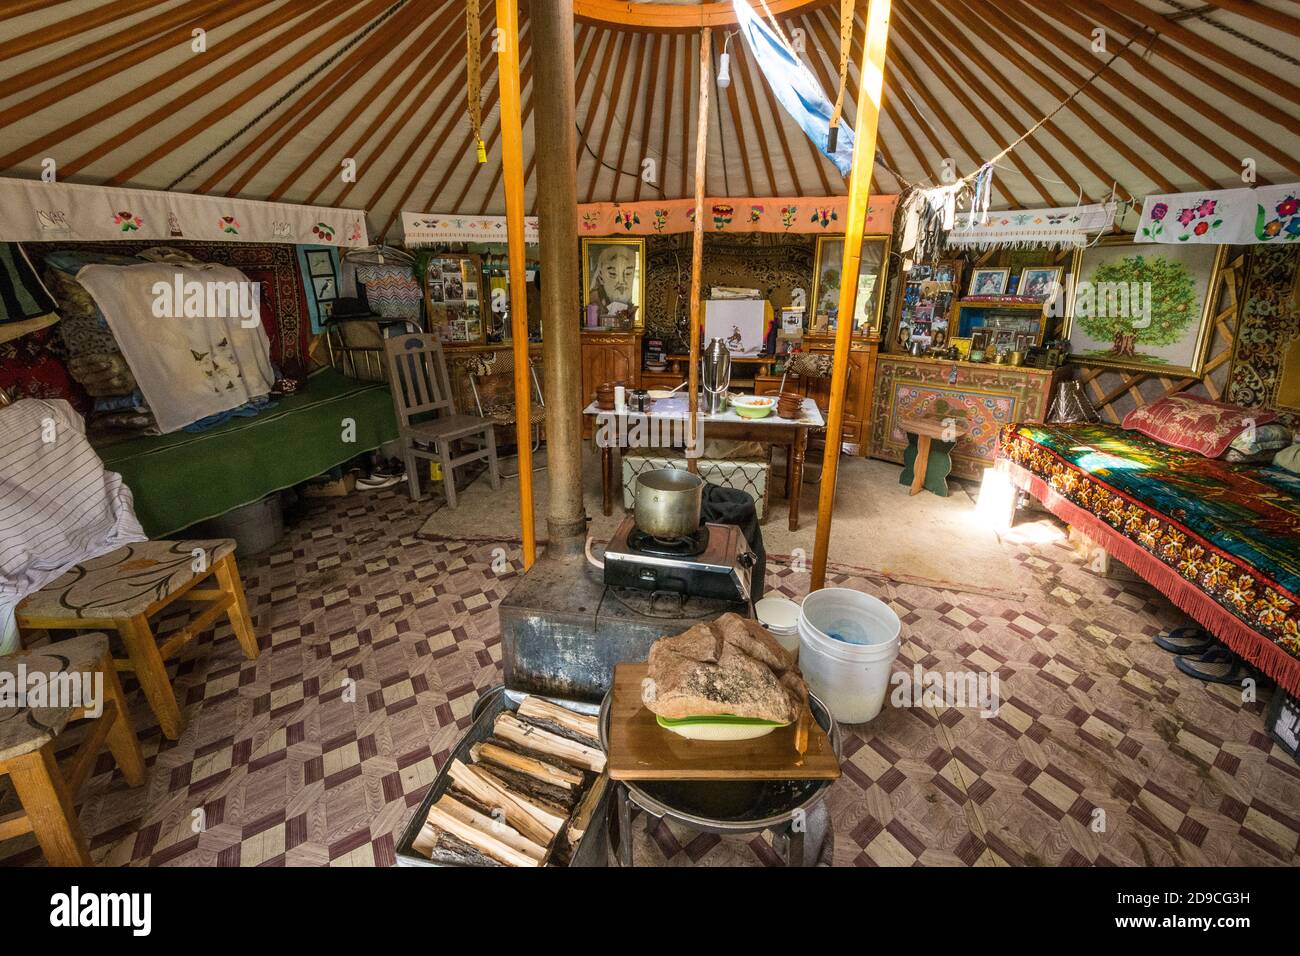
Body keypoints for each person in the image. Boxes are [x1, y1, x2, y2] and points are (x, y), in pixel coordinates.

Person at [589, 244, 638, 323]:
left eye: (628, 273)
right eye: (613, 273)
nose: (621, 282)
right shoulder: (594, 301)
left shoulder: (633, 303)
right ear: (601, 276)